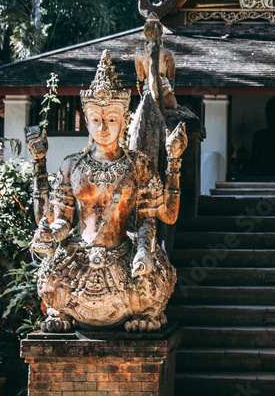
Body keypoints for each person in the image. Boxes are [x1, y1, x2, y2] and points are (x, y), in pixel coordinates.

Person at [28, 50, 185, 332]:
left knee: (148, 290)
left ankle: (141, 312)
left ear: (124, 121)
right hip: (79, 256)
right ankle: (63, 312)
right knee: (50, 286)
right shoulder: (71, 165)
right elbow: (59, 219)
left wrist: (143, 251)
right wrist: (50, 232)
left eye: (111, 119)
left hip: (122, 253)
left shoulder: (138, 165)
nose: (103, 127)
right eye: (96, 119)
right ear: (86, 121)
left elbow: (160, 217)